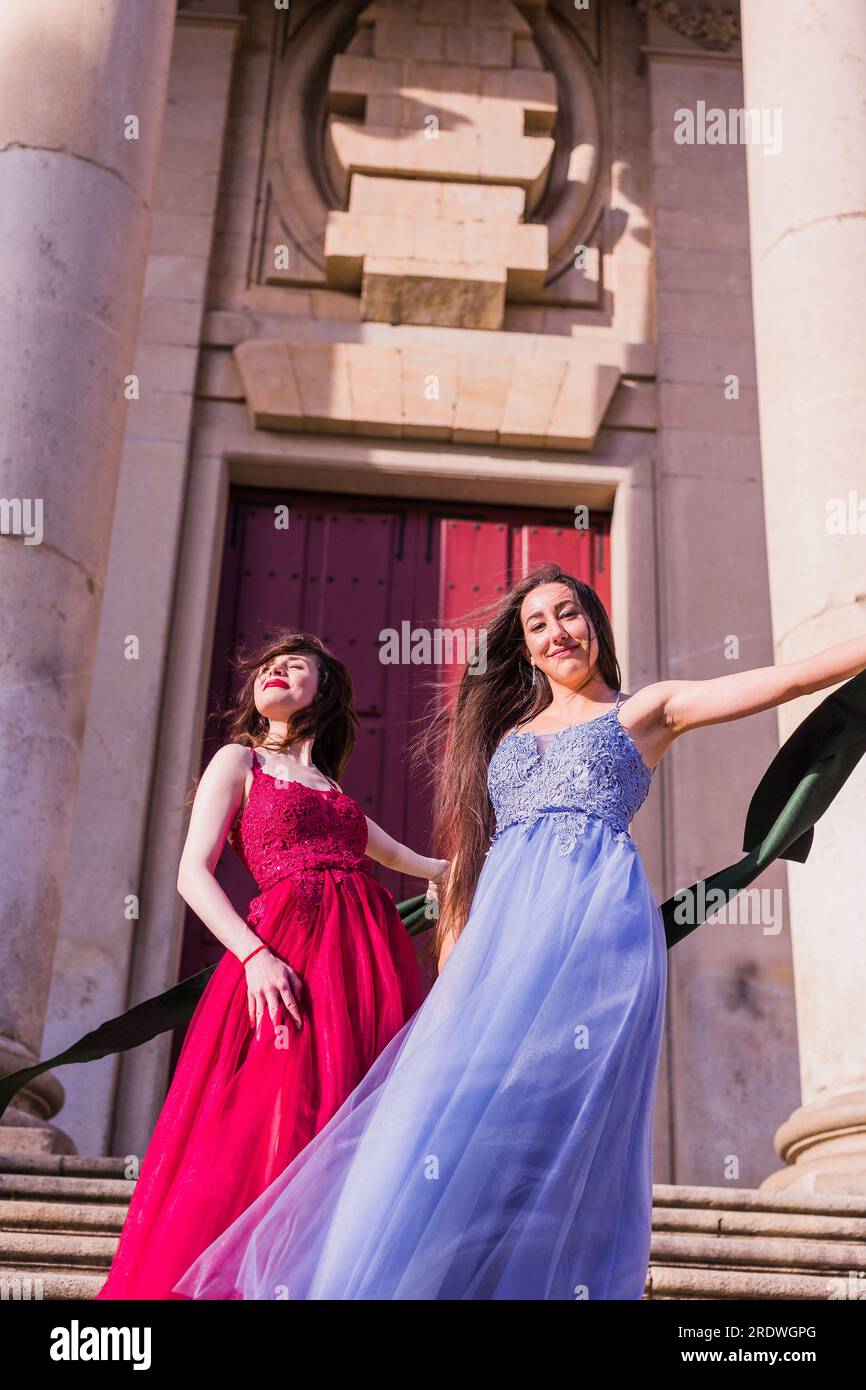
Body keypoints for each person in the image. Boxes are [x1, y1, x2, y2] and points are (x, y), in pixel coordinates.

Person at [171, 566, 866, 1300]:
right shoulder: (501, 734)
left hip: (596, 930)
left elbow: (791, 680)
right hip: (498, 940)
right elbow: (467, 870)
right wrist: (452, 976)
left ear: (594, 624)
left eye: (569, 615)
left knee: (548, 1118)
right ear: (527, 650)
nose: (557, 632)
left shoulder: (647, 709)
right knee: (443, 1120)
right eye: (538, 625)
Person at [97, 631, 447, 1299]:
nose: (274, 672)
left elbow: (404, 857)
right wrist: (255, 957)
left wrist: (455, 872)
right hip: (285, 955)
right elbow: (191, 875)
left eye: (294, 666)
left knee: (348, 1112)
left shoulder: (331, 789)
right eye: (266, 667)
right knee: (278, 1105)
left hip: (363, 963)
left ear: (325, 690)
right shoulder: (240, 761)